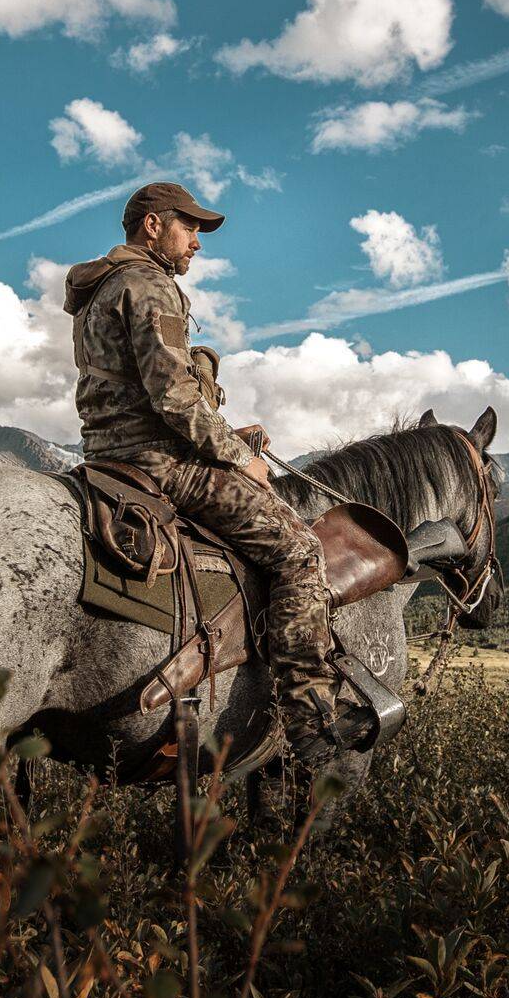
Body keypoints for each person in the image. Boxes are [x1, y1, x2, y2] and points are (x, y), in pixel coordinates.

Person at [63, 181, 370, 768]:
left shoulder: (102, 289)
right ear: (153, 226)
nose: (198, 242)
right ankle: (310, 717)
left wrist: (231, 430)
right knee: (302, 551)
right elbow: (173, 398)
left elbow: (143, 391)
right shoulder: (149, 286)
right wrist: (236, 454)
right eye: (190, 226)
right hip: (162, 462)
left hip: (107, 455)